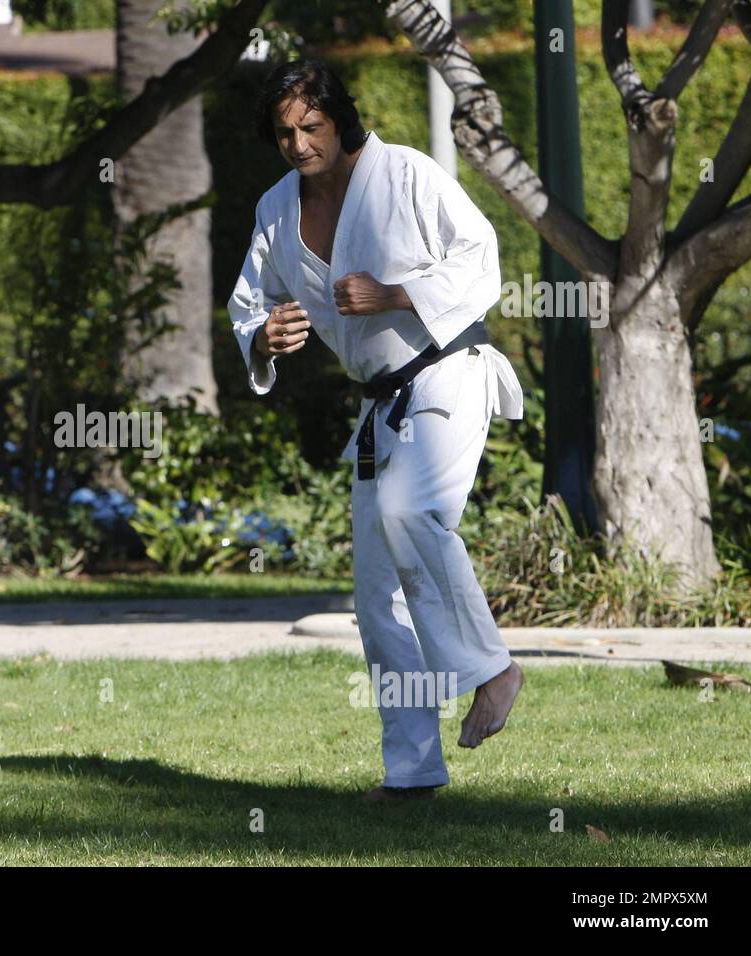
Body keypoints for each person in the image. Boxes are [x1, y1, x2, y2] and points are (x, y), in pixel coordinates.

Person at [227, 60, 526, 802]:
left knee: (408, 510)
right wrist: (265, 337)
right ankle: (412, 773)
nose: (300, 144)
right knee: (376, 596)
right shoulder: (276, 209)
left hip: (448, 372)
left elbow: (482, 255)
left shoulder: (406, 174)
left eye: (312, 127)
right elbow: (250, 303)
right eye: (285, 133)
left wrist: (395, 293)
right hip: (378, 401)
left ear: (340, 120)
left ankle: (491, 668)